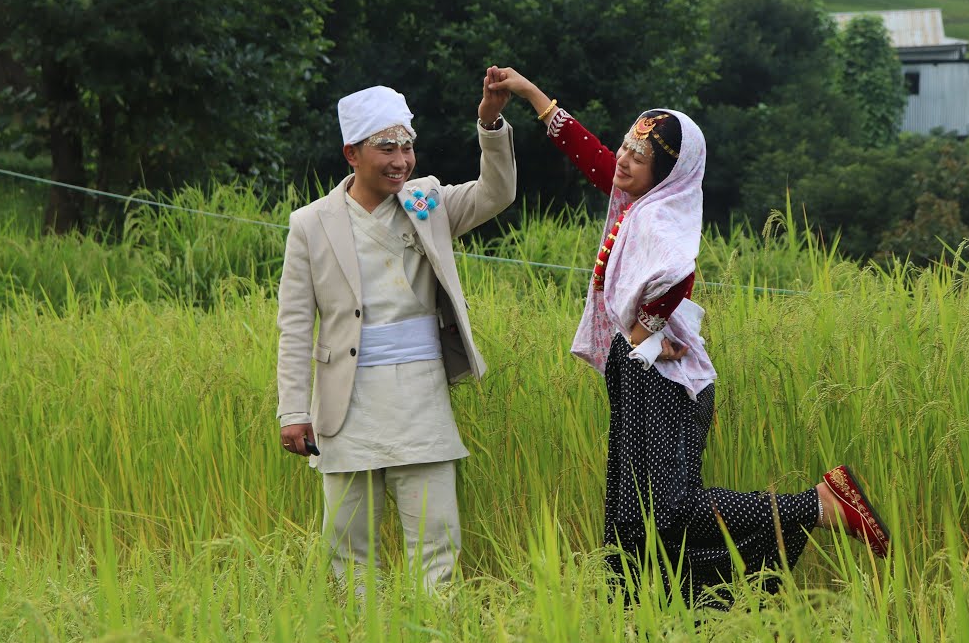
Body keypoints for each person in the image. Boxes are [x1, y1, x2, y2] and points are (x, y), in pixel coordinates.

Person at [488, 68, 890, 607]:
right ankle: (654, 625)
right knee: (630, 526)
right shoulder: (642, 202)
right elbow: (596, 160)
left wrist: (644, 333)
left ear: (668, 171)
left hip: (664, 379)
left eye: (639, 154)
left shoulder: (660, 222)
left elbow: (679, 272)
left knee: (669, 510)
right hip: (638, 369)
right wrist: (528, 94)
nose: (624, 160)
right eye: (628, 146)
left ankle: (819, 505)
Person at [275, 70, 516, 593]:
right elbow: (295, 326)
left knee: (436, 542)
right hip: (345, 404)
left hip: (420, 399)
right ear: (352, 154)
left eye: (408, 147)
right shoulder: (310, 224)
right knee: (347, 551)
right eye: (387, 147)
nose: (402, 160)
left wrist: (490, 122)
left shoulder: (424, 201)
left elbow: (496, 193)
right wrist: (294, 411)